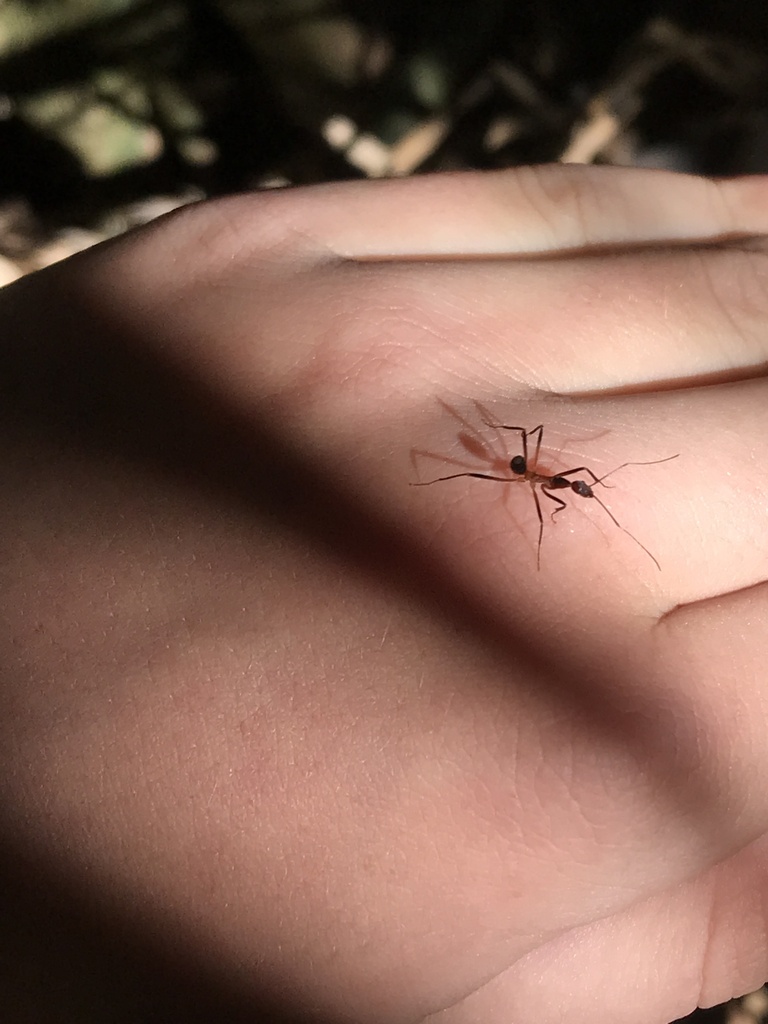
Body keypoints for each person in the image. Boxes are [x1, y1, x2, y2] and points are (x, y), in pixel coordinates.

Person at [1, 164, 767, 1024]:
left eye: (576, 489)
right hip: (499, 457)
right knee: (492, 467)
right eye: (576, 488)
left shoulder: (554, 479)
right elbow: (527, 458)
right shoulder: (524, 472)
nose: (573, 489)